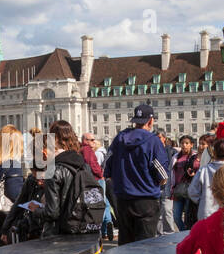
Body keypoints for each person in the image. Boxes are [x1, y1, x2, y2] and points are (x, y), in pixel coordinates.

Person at [104, 104, 170, 244]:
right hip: (146, 199)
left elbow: (106, 167)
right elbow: (163, 175)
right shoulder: (153, 141)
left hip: (123, 199)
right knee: (145, 247)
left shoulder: (119, 139)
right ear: (151, 121)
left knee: (125, 244)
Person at [37, 120, 99, 237]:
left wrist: (36, 210)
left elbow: (52, 212)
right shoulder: (83, 165)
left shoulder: (53, 169)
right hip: (83, 228)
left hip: (59, 233)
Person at [169, 135, 198, 231]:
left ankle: (187, 236)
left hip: (189, 191)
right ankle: (184, 233)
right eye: (182, 143)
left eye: (187, 143)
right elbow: (171, 174)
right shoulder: (175, 157)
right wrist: (170, 189)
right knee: (176, 217)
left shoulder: (195, 157)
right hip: (177, 191)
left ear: (191, 145)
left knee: (188, 218)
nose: (184, 145)